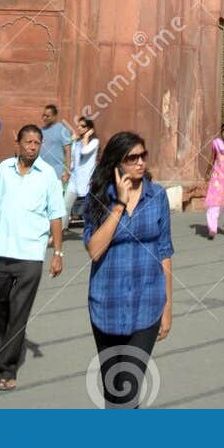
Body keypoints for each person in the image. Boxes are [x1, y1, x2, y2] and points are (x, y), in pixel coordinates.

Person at [0, 123, 65, 391]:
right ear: (18, 143)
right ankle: (13, 337)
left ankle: (6, 370)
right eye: (29, 142)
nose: (33, 147)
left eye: (37, 143)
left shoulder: (48, 175)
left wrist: (57, 253)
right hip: (0, 251)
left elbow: (55, 215)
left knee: (20, 312)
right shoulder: (3, 170)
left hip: (30, 255)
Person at [84, 132, 173, 409]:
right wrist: (119, 205)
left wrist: (168, 307)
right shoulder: (99, 197)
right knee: (114, 388)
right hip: (106, 304)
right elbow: (95, 249)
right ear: (116, 163)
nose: (140, 163)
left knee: (128, 386)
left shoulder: (157, 196)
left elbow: (165, 251)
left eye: (143, 156)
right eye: (132, 158)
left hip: (148, 304)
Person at [64, 117, 100, 228]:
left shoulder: (94, 142)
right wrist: (67, 171)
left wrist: (87, 137)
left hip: (87, 181)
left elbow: (85, 151)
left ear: (90, 129)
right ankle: (61, 230)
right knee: (65, 205)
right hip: (74, 180)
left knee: (91, 208)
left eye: (83, 126)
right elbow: (73, 158)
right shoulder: (77, 142)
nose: (79, 128)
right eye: (78, 125)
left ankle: (96, 228)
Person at [38, 102, 73, 195]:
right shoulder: (41, 131)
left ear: (55, 116)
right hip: (41, 172)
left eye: (47, 116)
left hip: (56, 173)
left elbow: (68, 151)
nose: (44, 118)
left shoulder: (63, 130)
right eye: (43, 115)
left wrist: (67, 171)